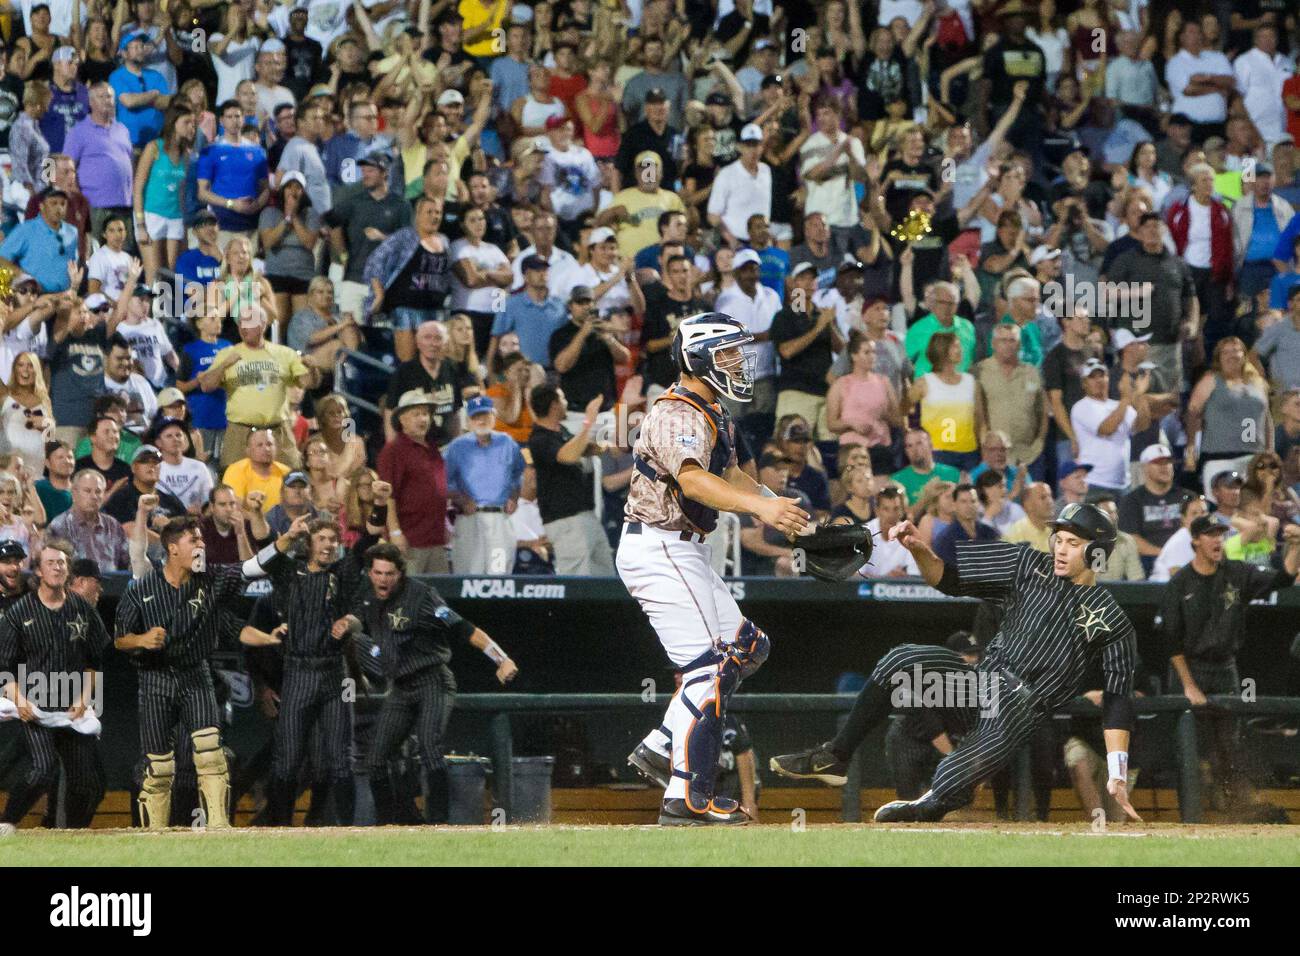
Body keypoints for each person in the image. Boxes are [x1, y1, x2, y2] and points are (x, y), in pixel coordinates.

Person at [771, 503, 1140, 824]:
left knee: (951, 780)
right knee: (902, 661)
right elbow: (949, 579)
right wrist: (919, 550)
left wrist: (1117, 773)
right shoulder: (1028, 563)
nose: (1060, 549)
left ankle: (932, 804)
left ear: (1097, 554)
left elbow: (1118, 700)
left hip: (1019, 710)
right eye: (1058, 539)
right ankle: (836, 755)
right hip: (981, 683)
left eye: (1073, 544)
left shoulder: (1113, 619)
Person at [619, 312, 808, 825]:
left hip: (680, 548)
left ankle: (663, 742)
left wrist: (783, 509)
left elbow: (727, 473)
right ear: (697, 357)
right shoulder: (677, 411)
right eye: (726, 353)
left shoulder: (710, 409)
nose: (737, 362)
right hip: (659, 545)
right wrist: (762, 510)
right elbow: (696, 482)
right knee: (708, 669)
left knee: (749, 646)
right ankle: (686, 798)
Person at [113, 514, 286, 829]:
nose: (202, 545)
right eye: (194, 540)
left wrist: (287, 540)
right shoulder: (141, 588)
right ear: (173, 548)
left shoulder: (211, 578)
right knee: (159, 767)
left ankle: (219, 828)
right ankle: (155, 837)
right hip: (155, 679)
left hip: (196, 675)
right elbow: (120, 639)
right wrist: (142, 639)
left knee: (211, 755)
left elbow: (254, 566)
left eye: (202, 540)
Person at [336, 542, 518, 824]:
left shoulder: (422, 596)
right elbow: (357, 620)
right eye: (378, 573)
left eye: (390, 574)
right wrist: (347, 623)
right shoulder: (368, 596)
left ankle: (439, 826)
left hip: (432, 679)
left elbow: (463, 628)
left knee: (430, 748)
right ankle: (389, 826)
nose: (383, 579)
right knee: (375, 759)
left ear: (401, 574)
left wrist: (501, 659)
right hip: (400, 686)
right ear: (370, 573)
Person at [254, 499, 391, 826]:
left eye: (334, 540)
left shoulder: (343, 574)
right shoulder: (290, 572)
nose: (330, 545)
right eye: (323, 539)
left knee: (341, 759)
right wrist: (288, 534)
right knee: (287, 759)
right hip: (298, 673)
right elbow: (263, 552)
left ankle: (345, 834)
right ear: (310, 543)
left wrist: (381, 503)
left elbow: (369, 540)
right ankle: (278, 830)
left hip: (336, 675)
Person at [1162, 515, 1300, 814]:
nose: (1217, 540)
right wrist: (1189, 686)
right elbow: (1171, 643)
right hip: (1190, 667)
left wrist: (1296, 547)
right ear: (1195, 541)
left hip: (1225, 667)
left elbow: (1283, 579)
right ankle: (1192, 816)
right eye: (1210, 534)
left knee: (1230, 745)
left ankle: (1236, 811)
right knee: (1191, 749)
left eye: (1221, 534)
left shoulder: (1236, 573)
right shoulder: (1179, 583)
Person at [0, 540, 109, 830]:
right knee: (42, 769)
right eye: (50, 562)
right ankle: (7, 823)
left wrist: (85, 698)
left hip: (73, 708)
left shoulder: (82, 610)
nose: (57, 567)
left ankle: (66, 834)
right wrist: (20, 701)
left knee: (86, 781)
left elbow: (94, 661)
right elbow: (4, 667)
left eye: (62, 562)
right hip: (35, 705)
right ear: (37, 570)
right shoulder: (19, 612)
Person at [199, 304, 320, 470]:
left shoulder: (284, 353)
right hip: (240, 432)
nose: (242, 327)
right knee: (233, 482)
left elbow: (309, 383)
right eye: (240, 322)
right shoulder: (227, 353)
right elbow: (206, 386)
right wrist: (223, 366)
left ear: (263, 324)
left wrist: (312, 368)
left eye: (248, 321)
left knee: (290, 480)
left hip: (278, 431)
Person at [527, 383, 616, 576]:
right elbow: (566, 456)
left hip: (585, 515)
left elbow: (583, 449)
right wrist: (588, 422)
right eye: (562, 399)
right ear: (554, 405)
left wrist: (599, 445)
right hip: (566, 521)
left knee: (604, 575)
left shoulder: (561, 433)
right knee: (578, 579)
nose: (566, 403)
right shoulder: (539, 439)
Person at [445, 395, 526, 575]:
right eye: (476, 417)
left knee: (499, 576)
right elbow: (442, 482)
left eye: (485, 415)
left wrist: (514, 496)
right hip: (469, 520)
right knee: (467, 577)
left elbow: (517, 473)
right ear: (469, 421)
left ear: (494, 417)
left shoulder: (507, 442)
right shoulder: (457, 447)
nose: (481, 420)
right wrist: (461, 499)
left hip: (500, 520)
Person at [377, 389, 451, 574]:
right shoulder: (393, 451)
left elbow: (437, 491)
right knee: (410, 595)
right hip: (410, 541)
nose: (423, 419)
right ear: (402, 419)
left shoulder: (433, 449)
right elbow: (388, 496)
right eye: (416, 414)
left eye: (426, 413)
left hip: (435, 539)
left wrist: (444, 526)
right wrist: (395, 532)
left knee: (438, 597)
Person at [1070, 358, 1151, 499]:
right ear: (1084, 383)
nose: (1098, 380)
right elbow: (1106, 429)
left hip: (1123, 485)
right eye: (1092, 377)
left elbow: (1142, 425)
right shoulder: (1081, 407)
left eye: (1102, 375)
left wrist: (1139, 395)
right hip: (1094, 483)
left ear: (1108, 378)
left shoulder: (1118, 406)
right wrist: (1126, 398)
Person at [549, 284, 630, 412]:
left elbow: (624, 358)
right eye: (580, 302)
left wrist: (607, 338)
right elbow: (561, 366)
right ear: (570, 306)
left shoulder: (604, 331)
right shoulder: (561, 334)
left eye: (589, 302)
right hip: (576, 411)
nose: (586, 306)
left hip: (605, 409)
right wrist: (583, 333)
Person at [1118, 444, 1194, 563]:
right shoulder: (1132, 500)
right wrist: (1165, 554)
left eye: (1168, 462)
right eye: (1158, 463)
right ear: (1145, 467)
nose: (1165, 467)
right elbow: (1131, 539)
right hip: (1149, 560)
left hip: (1186, 558)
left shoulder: (1188, 497)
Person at [45, 470, 131, 571]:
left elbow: (128, 562)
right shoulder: (59, 526)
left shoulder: (113, 525)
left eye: (98, 492)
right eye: (87, 491)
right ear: (74, 493)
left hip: (111, 585)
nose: (94, 496)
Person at [221, 428, 290, 509]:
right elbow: (235, 509)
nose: (266, 449)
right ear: (248, 451)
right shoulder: (236, 471)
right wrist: (258, 520)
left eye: (269, 444)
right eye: (260, 445)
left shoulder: (286, 472)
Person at [891, 428, 962, 506]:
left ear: (931, 445)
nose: (914, 449)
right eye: (909, 446)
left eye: (919, 443)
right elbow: (904, 516)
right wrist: (927, 497)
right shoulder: (897, 480)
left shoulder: (953, 474)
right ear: (906, 451)